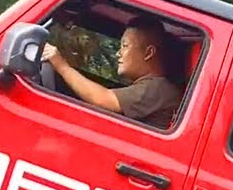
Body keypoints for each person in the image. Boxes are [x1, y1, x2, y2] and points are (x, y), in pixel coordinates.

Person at [41, 15, 182, 130]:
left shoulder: (156, 89)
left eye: (125, 46)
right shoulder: (154, 87)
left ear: (148, 53)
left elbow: (103, 99)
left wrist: (61, 66)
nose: (118, 53)